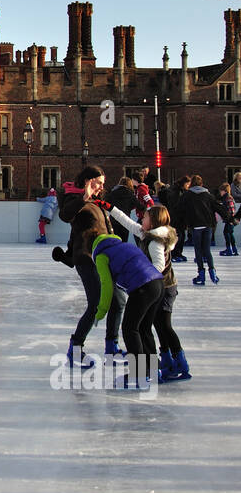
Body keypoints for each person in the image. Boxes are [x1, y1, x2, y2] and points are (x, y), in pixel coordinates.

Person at [108, 200, 191, 383]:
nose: (141, 218)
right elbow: (129, 223)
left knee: (160, 326)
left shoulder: (154, 241)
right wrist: (111, 208)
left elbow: (159, 266)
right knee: (149, 327)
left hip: (161, 287)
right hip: (158, 286)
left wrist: (141, 275)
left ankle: (175, 363)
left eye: (144, 217)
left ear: (152, 221)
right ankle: (161, 366)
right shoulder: (148, 234)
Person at [53, 164, 125, 368]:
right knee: (95, 304)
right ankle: (75, 349)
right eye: (98, 183)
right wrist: (83, 197)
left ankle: (111, 347)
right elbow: (65, 215)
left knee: (119, 301)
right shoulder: (74, 199)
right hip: (87, 258)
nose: (102, 187)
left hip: (106, 257)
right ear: (87, 181)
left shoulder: (98, 202)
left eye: (103, 183)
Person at [89, 228, 165, 392]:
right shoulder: (126, 246)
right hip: (158, 283)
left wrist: (100, 312)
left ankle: (138, 374)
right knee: (144, 329)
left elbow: (107, 287)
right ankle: (154, 370)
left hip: (142, 288)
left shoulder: (102, 256)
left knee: (130, 329)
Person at [180, 175, 230, 285]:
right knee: (207, 250)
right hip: (208, 225)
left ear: (192, 184)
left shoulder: (186, 195)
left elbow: (180, 209)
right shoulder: (208, 195)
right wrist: (228, 218)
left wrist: (179, 223)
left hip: (195, 225)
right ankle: (212, 272)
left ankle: (201, 275)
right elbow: (218, 207)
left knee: (198, 250)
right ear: (202, 184)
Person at [216, 182, 238, 257]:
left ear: (224, 191)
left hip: (230, 220)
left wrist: (230, 219)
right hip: (230, 219)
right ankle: (234, 249)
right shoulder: (227, 197)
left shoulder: (227, 197)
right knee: (230, 233)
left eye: (221, 191)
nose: (220, 193)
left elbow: (231, 210)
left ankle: (229, 249)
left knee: (226, 233)